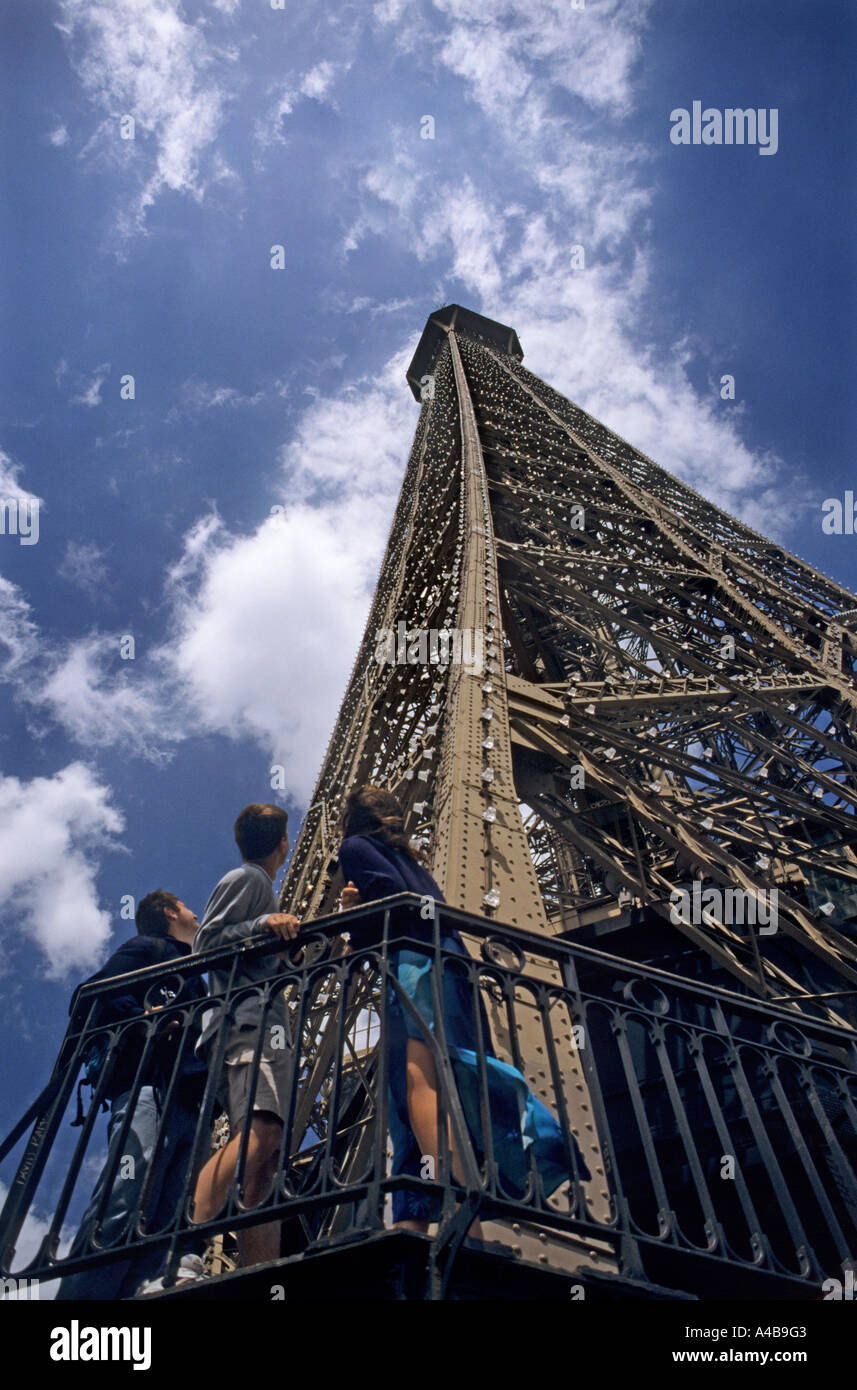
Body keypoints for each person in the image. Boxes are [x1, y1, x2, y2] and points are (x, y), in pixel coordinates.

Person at [338, 785, 591, 1234]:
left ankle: (461, 1204)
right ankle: (414, 1226)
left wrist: (353, 926)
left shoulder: (354, 848)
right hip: (450, 963)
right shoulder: (410, 859)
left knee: (419, 1085)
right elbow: (419, 903)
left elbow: (392, 902)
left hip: (416, 965)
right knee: (428, 1095)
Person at [56, 891, 209, 1300]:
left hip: (188, 1100)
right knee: (125, 1199)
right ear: (170, 912)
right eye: (189, 906)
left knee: (168, 1216)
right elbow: (92, 995)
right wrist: (143, 1021)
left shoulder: (194, 968)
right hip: (149, 1087)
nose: (197, 912)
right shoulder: (149, 947)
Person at [191, 804, 301, 1269]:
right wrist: (261, 924)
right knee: (262, 1132)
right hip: (247, 1026)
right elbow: (205, 945)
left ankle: (260, 1271)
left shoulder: (259, 887)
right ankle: (188, 1244)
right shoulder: (250, 880)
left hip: (256, 1023)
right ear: (283, 843)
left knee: (267, 1159)